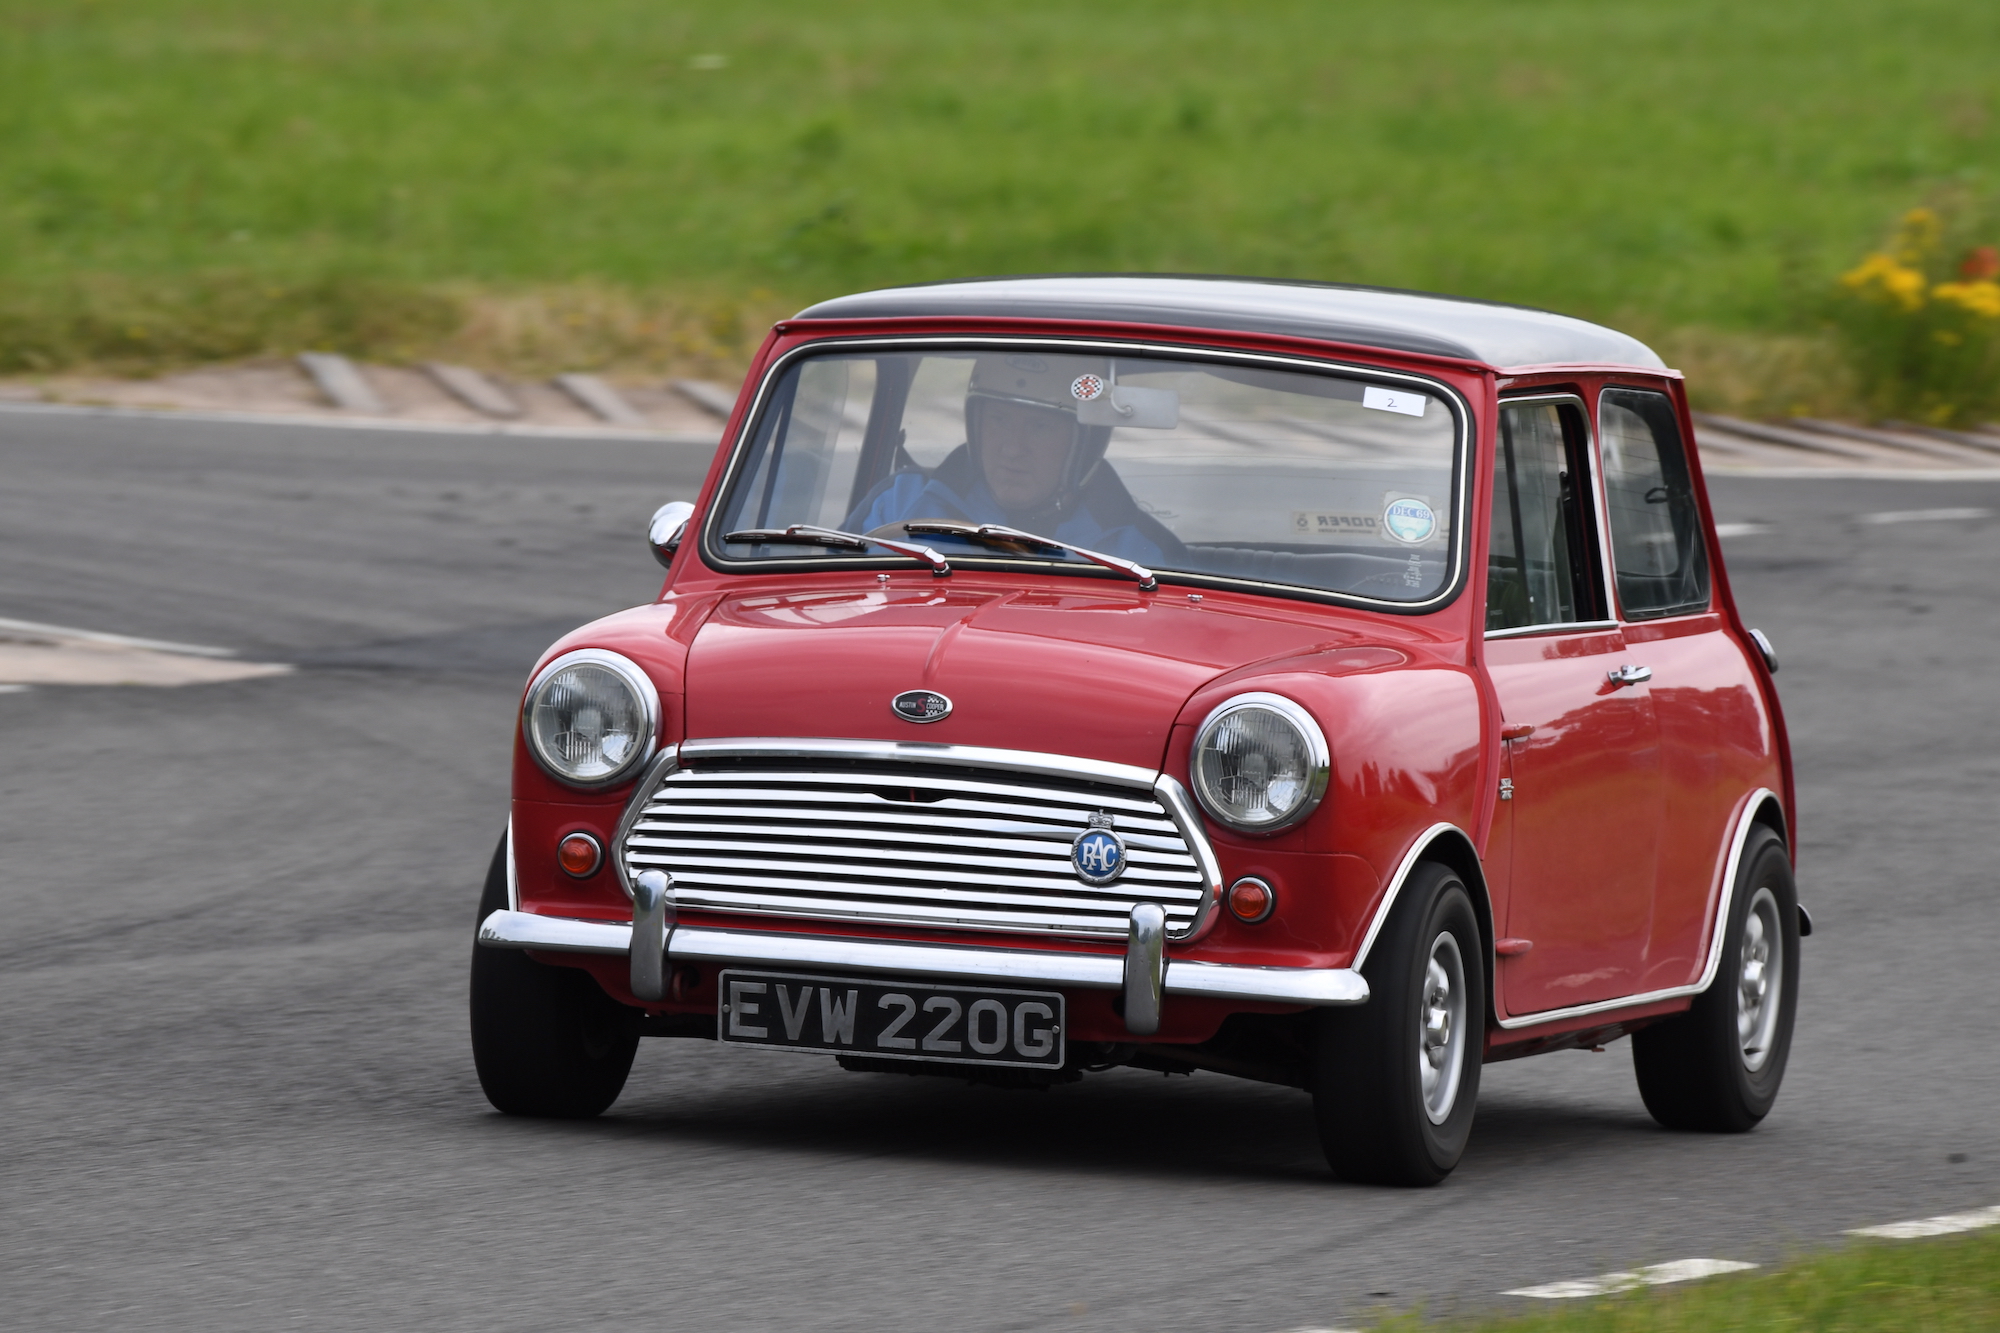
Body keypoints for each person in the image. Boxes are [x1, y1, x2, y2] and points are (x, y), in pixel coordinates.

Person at [844, 353, 1182, 565]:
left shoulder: (1140, 547)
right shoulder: (898, 501)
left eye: (1040, 426)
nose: (1012, 448)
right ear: (974, 424)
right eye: (998, 420)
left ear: (1084, 444)